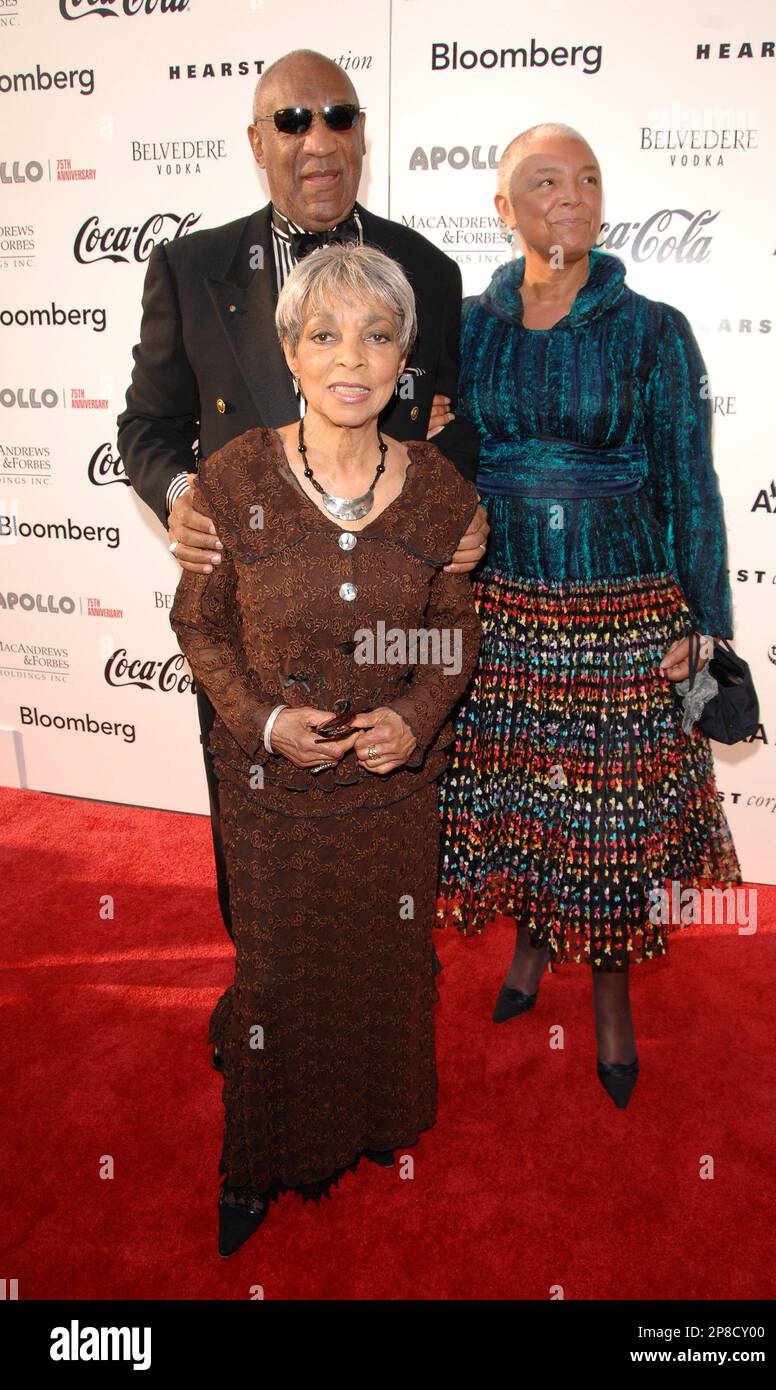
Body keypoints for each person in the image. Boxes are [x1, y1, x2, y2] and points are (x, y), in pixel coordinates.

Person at [117, 49, 488, 1030]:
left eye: (337, 117)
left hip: (387, 620)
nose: (316, 141)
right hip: (256, 614)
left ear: (362, 133)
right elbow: (145, 427)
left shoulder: (428, 270)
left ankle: (369, 1007)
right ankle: (271, 995)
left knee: (382, 828)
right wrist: (187, 493)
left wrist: (467, 503)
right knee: (258, 829)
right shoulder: (191, 269)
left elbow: (455, 423)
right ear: (256, 142)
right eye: (291, 122)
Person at [169, 243, 483, 1255]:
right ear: (290, 352)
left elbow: (449, 634)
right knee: (275, 977)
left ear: (403, 360)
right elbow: (202, 628)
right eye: (323, 334)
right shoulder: (235, 478)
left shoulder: (440, 495)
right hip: (272, 797)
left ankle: (372, 1120)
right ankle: (257, 1158)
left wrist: (415, 716)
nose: (351, 357)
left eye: (376, 335)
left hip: (392, 799)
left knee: (386, 960)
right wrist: (261, 721)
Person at [435, 124, 741, 1109]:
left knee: (609, 814)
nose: (569, 194)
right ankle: (527, 948)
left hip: (620, 602)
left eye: (587, 178)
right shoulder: (465, 330)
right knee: (527, 793)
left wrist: (703, 623)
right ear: (501, 206)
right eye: (542, 179)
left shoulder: (655, 329)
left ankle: (609, 999)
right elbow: (437, 466)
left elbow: (690, 482)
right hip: (504, 598)